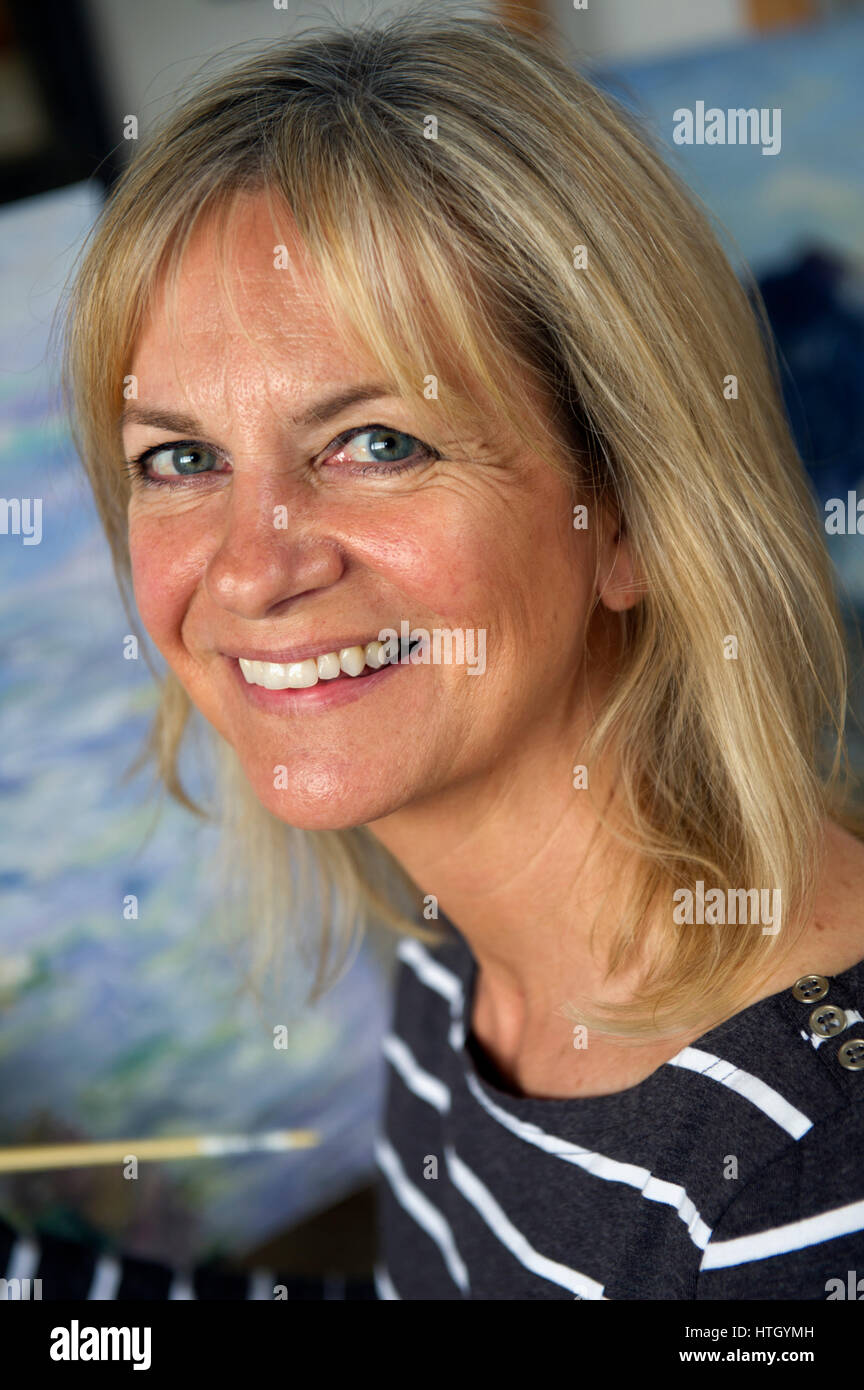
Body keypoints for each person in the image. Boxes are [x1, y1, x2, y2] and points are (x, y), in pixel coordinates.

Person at [64, 11, 864, 1300]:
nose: (253, 567)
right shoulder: (462, 974)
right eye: (182, 458)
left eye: (378, 443)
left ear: (639, 516)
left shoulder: (807, 1199)